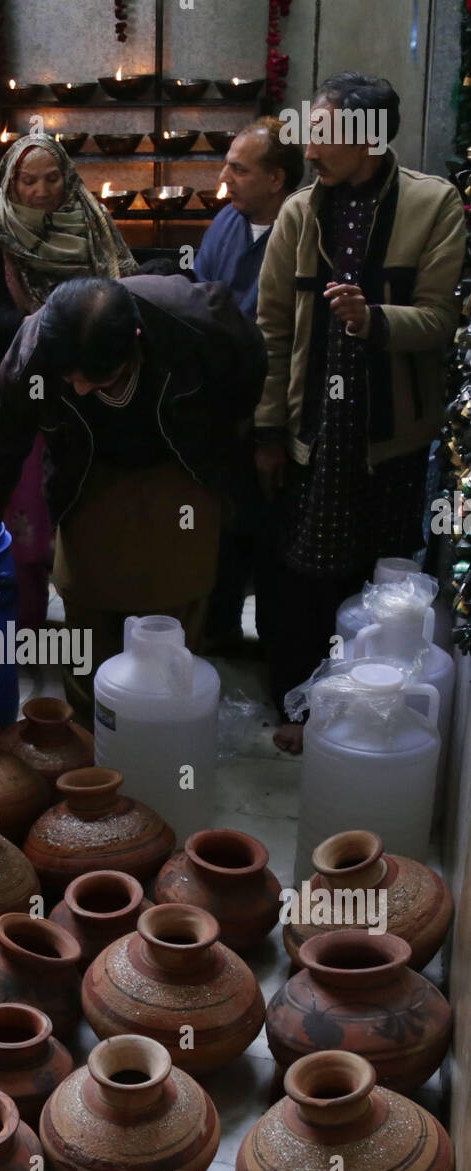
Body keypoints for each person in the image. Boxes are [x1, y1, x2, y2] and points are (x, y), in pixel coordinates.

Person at [0, 275, 267, 725]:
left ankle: (167, 729)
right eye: (69, 378)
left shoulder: (201, 323)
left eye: (97, 379)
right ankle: (92, 738)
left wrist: (225, 451)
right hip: (87, 470)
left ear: (134, 341)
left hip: (183, 461)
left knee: (172, 613)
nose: (78, 390)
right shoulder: (33, 353)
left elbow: (249, 377)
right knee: (86, 604)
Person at [254, 73, 466, 753]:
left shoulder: (435, 206)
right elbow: (272, 329)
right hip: (312, 425)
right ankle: (296, 703)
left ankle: (366, 714)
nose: (309, 148)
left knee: (377, 581)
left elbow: (440, 320)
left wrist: (373, 320)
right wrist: (266, 426)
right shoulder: (299, 212)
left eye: (324, 133)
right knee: (298, 574)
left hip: (390, 434)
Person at [0, 132, 139, 632]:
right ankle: (26, 621)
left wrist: (88, 334)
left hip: (90, 390)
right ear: (10, 181)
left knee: (89, 509)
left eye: (51, 178)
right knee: (26, 519)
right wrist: (47, 327)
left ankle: (94, 616)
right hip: (25, 387)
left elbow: (122, 292)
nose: (40, 191)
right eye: (28, 180)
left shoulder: (91, 219)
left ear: (68, 176)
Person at [194, 116, 305, 654]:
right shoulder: (225, 223)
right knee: (220, 525)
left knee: (269, 530)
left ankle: (278, 647)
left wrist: (270, 432)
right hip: (221, 403)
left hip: (276, 406)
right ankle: (217, 631)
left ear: (276, 178)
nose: (226, 178)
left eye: (239, 169)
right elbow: (202, 299)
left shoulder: (306, 230)